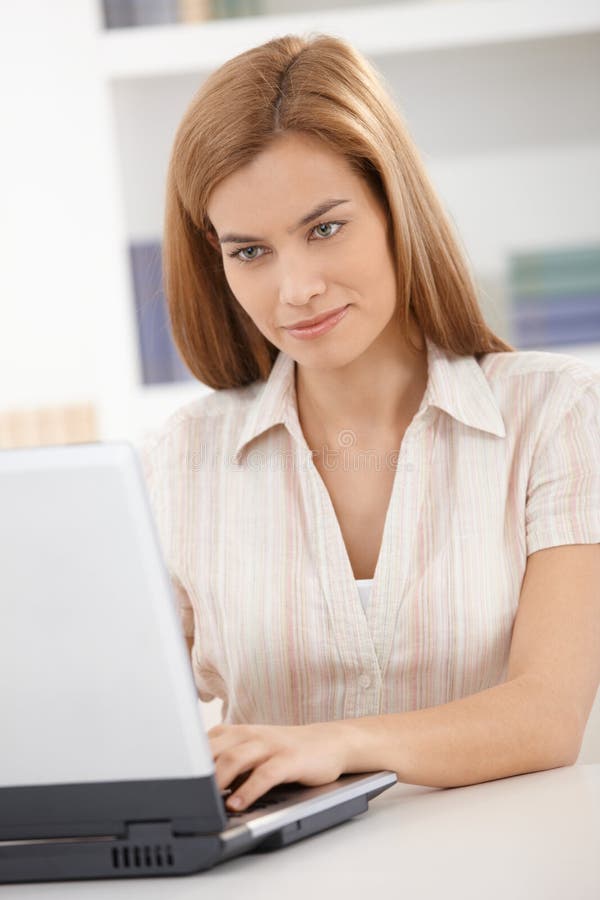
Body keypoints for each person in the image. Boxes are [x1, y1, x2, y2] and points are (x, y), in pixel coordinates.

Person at [139, 33, 600, 814]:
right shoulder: (180, 460)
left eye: (325, 228)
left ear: (395, 208)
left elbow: (546, 715)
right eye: (251, 252)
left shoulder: (555, 414)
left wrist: (336, 741)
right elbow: (134, 731)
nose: (297, 290)